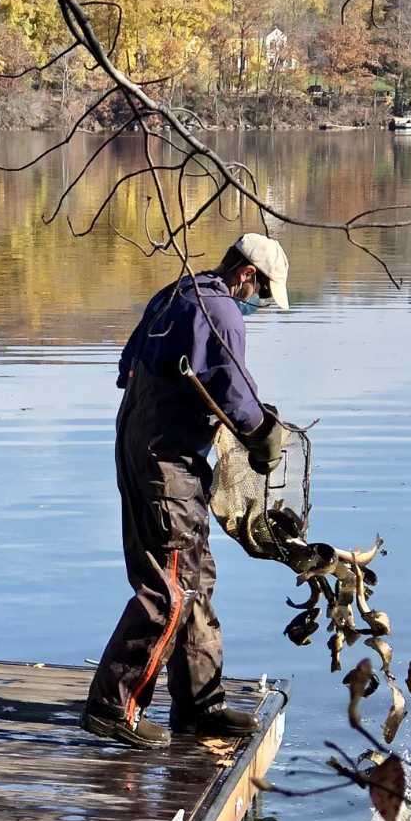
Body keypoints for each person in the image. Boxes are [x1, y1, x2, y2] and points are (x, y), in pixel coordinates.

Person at [83, 233, 290, 748]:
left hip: (143, 445)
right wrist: (263, 434)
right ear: (247, 275)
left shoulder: (175, 293)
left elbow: (128, 368)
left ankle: (200, 705)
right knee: (170, 588)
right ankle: (112, 706)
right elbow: (235, 393)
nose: (260, 303)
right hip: (165, 461)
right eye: (263, 293)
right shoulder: (221, 313)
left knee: (196, 577)